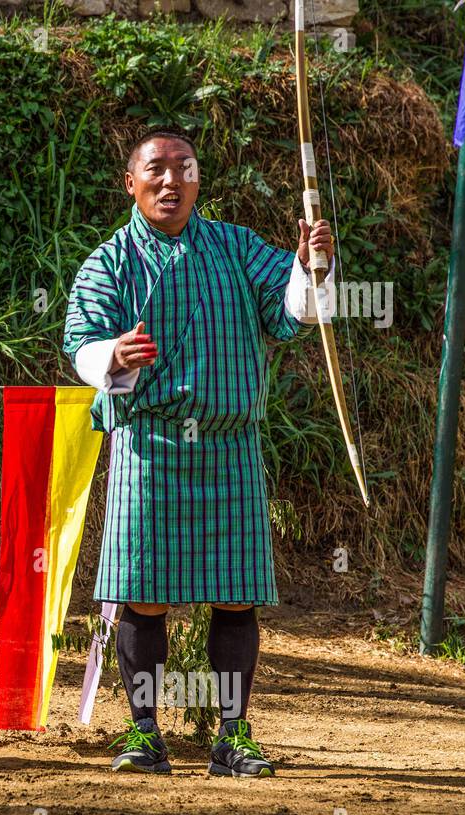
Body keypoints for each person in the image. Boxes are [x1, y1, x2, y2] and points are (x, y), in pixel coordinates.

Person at [63, 127, 338, 778]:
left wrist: (311, 269)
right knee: (144, 597)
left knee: (236, 598)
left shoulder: (235, 247)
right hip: (148, 443)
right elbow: (81, 344)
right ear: (131, 183)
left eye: (182, 169)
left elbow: (295, 309)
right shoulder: (109, 261)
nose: (169, 181)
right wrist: (112, 359)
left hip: (229, 442)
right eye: (154, 170)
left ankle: (232, 736)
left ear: (197, 181)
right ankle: (144, 733)